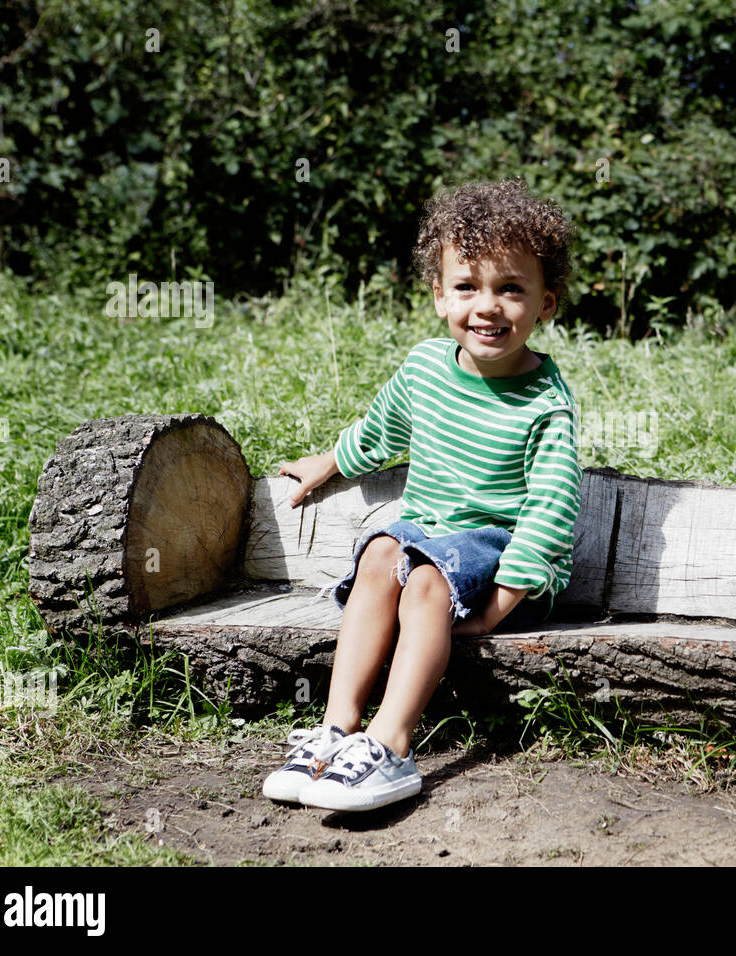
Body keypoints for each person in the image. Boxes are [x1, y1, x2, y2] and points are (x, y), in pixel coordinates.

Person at [262, 178, 581, 812]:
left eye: (510, 288)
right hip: (429, 539)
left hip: (504, 565)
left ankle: (392, 745)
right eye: (467, 287)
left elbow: (550, 512)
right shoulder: (426, 368)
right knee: (381, 550)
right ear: (439, 297)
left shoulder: (547, 404)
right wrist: (328, 462)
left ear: (547, 302)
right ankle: (336, 728)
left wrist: (500, 605)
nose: (487, 307)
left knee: (429, 576)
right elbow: (380, 431)